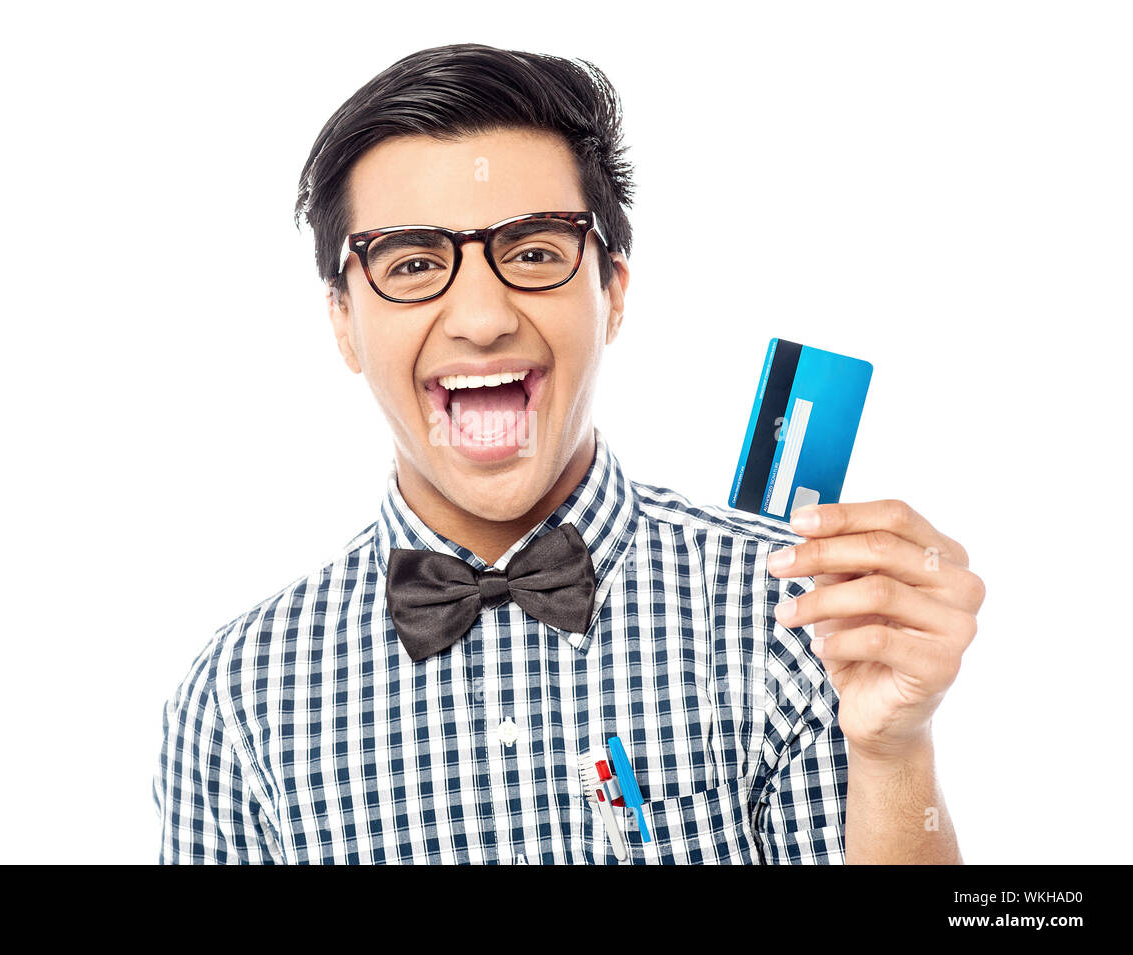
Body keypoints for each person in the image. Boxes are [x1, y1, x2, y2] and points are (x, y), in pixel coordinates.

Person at [152, 41, 985, 864]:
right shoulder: (237, 704)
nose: (481, 317)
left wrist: (894, 753)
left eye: (535, 253)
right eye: (412, 263)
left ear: (613, 291)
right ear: (343, 321)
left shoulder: (801, 621)